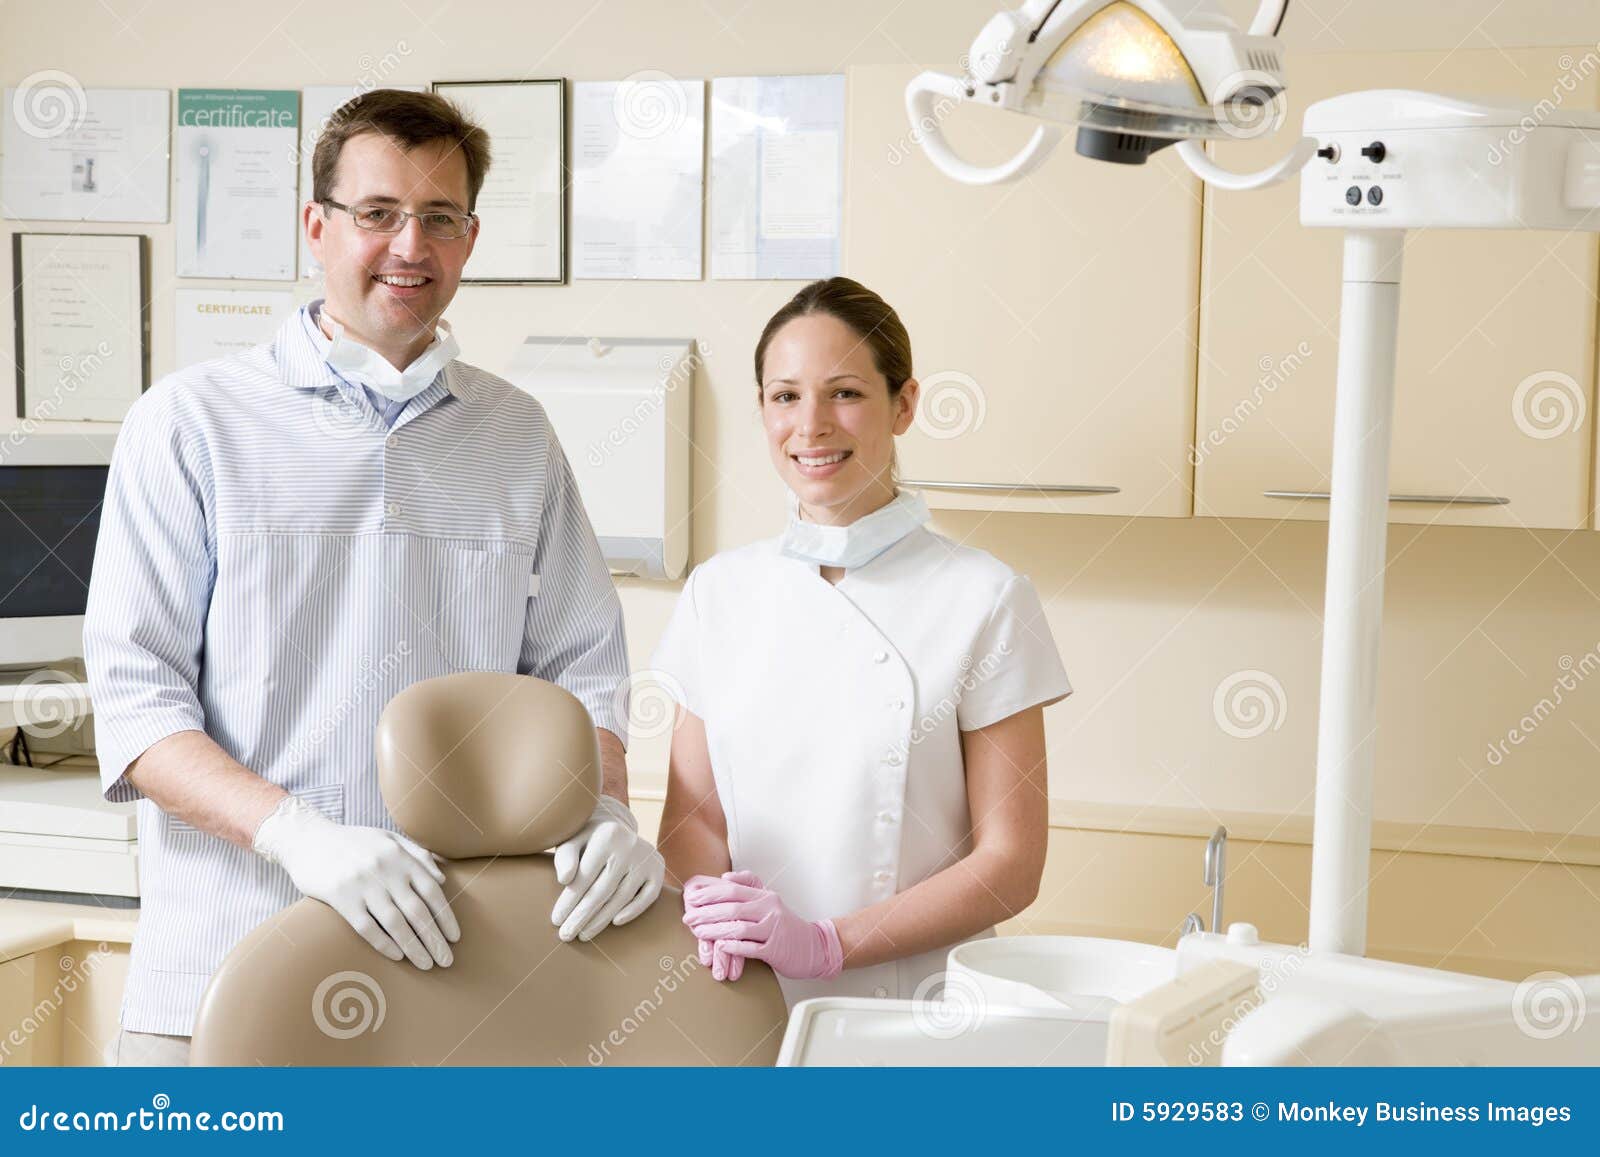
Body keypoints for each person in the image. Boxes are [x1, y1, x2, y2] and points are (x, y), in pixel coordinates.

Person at [84, 89, 663, 1067]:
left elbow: (580, 669)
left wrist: (601, 805)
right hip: (223, 972)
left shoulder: (513, 434)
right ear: (317, 226)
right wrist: (297, 834)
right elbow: (138, 709)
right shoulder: (191, 423)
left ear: (470, 239)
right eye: (378, 212)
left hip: (454, 980)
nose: (410, 245)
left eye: (439, 218)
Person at [650, 277, 1071, 1007]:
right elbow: (697, 821)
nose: (810, 425)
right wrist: (713, 918)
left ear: (903, 404)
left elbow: (1011, 861)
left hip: (914, 1012)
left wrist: (827, 944)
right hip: (744, 1001)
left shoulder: (985, 596)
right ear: (762, 410)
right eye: (785, 396)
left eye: (843, 392)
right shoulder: (719, 592)